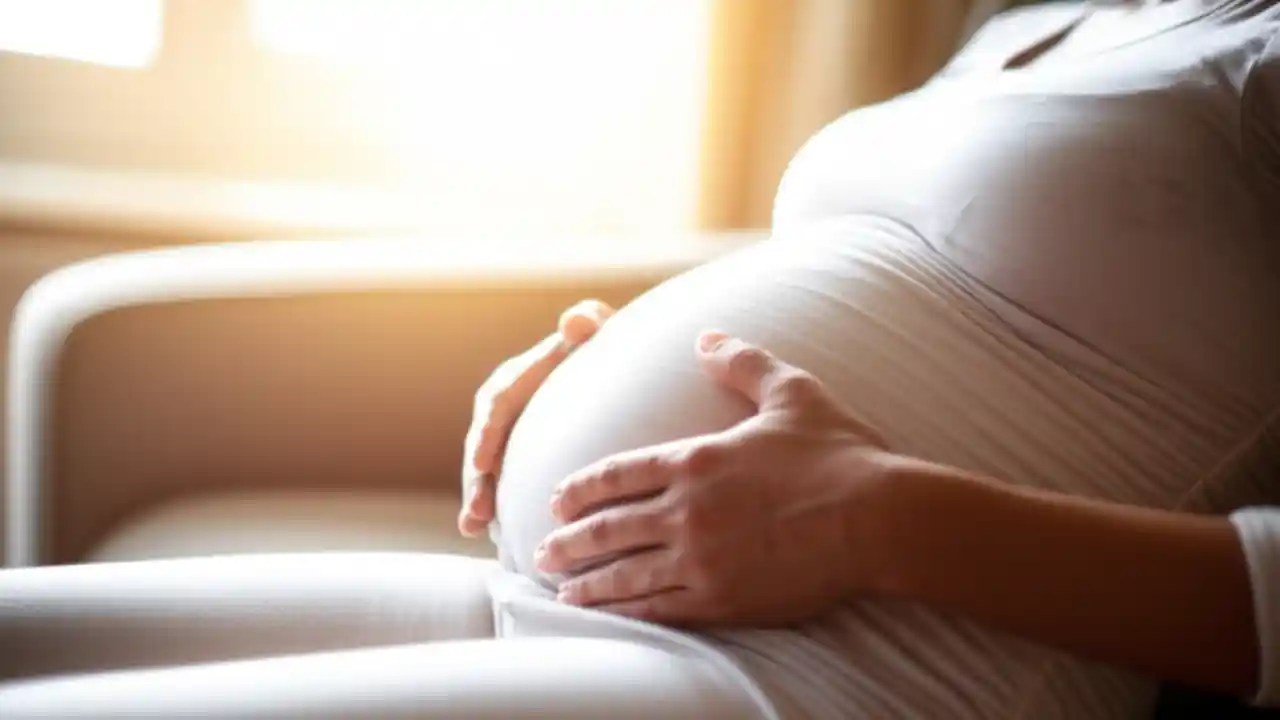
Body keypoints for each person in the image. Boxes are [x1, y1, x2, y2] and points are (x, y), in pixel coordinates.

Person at [2, 1, 1279, 718]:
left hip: (818, 685)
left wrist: (871, 516)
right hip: (579, 597)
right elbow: (945, 283)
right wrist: (614, 349)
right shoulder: (1068, 18)